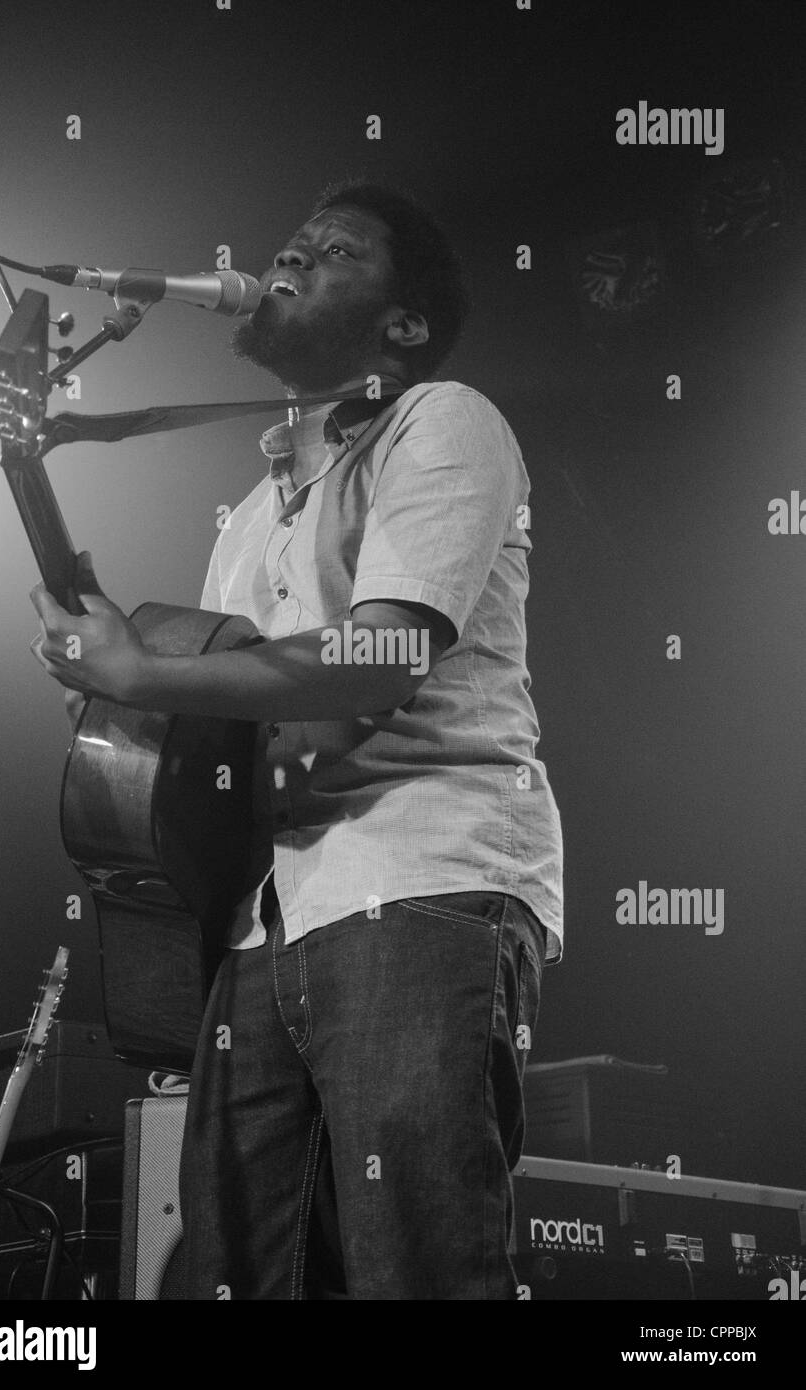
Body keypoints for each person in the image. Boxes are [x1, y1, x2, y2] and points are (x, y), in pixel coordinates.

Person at [30, 180, 564, 1300]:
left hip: (418, 878)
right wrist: (126, 709)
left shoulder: (444, 420)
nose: (294, 252)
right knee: (243, 1274)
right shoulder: (249, 517)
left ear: (402, 326)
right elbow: (244, 722)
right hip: (266, 927)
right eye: (292, 242)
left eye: (336, 250)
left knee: (417, 1263)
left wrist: (145, 671)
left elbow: (379, 660)